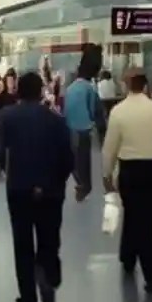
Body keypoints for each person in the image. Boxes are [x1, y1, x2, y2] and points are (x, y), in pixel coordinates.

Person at [0, 72, 73, 302]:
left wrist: (0, 165)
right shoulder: (56, 120)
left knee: (22, 241)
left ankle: (28, 295)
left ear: (19, 91)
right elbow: (68, 158)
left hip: (19, 186)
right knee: (49, 238)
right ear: (40, 92)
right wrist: (58, 181)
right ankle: (48, 276)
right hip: (50, 190)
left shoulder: (8, 116)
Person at [102, 68, 152, 294]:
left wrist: (107, 174)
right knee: (145, 217)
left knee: (135, 216)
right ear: (145, 85)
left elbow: (110, 147)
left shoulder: (118, 111)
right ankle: (128, 256)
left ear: (126, 84)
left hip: (130, 169)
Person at [63, 62, 101, 202]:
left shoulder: (69, 89)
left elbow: (65, 109)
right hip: (84, 128)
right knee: (84, 159)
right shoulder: (89, 88)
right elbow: (92, 109)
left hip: (70, 128)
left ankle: (79, 182)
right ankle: (85, 186)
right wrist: (93, 122)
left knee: (74, 158)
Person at [95, 70, 119, 141]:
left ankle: (103, 133)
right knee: (109, 115)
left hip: (103, 101)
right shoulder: (112, 83)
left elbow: (97, 93)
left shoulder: (100, 83)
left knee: (101, 116)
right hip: (112, 100)